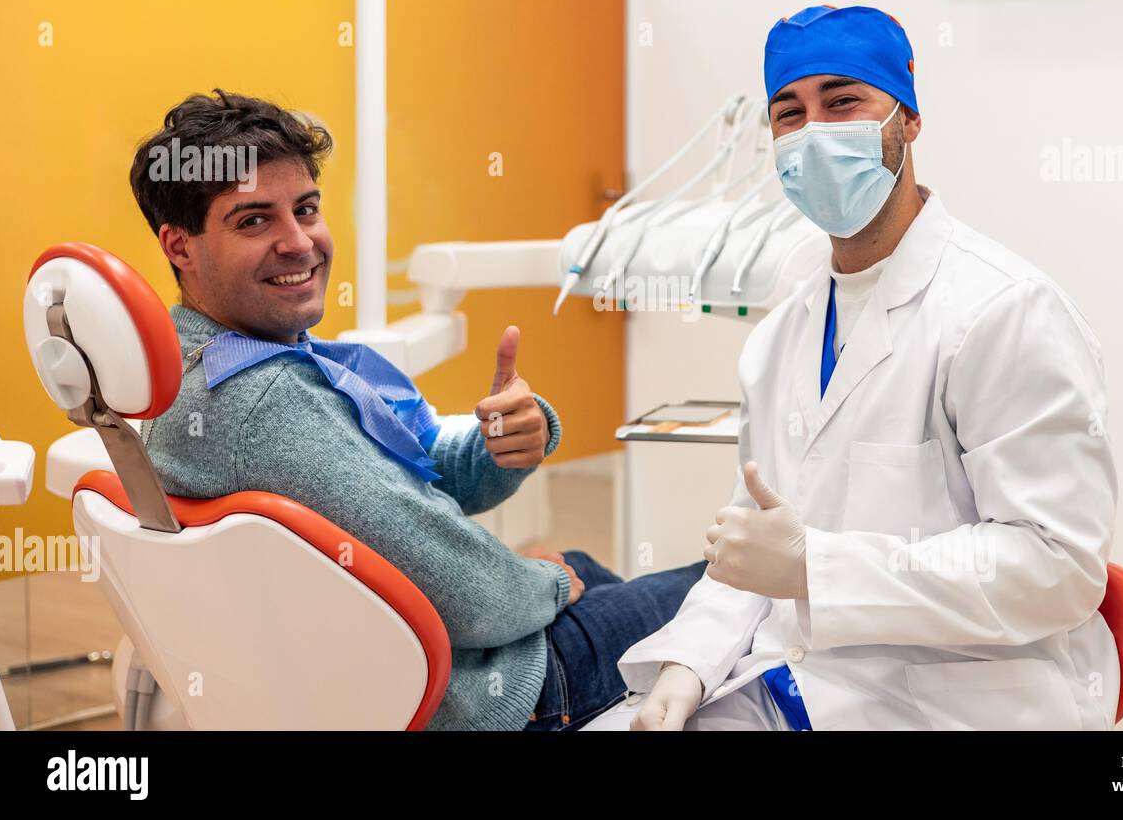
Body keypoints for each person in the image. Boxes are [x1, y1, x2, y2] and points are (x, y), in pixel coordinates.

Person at [584, 5, 1119, 731]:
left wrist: (818, 570)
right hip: (791, 681)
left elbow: (1056, 569)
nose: (814, 134)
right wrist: (685, 667)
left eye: (843, 102)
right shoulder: (781, 336)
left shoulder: (1004, 311)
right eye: (789, 114)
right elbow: (757, 545)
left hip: (958, 701)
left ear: (908, 119)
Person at [128, 89, 705, 731]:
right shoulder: (264, 402)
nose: (300, 243)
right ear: (179, 246)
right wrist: (544, 581)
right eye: (254, 221)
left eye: (306, 209)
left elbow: (413, 476)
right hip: (497, 695)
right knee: (729, 585)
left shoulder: (189, 371)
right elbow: (478, 601)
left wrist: (497, 446)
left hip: (405, 674)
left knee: (588, 569)